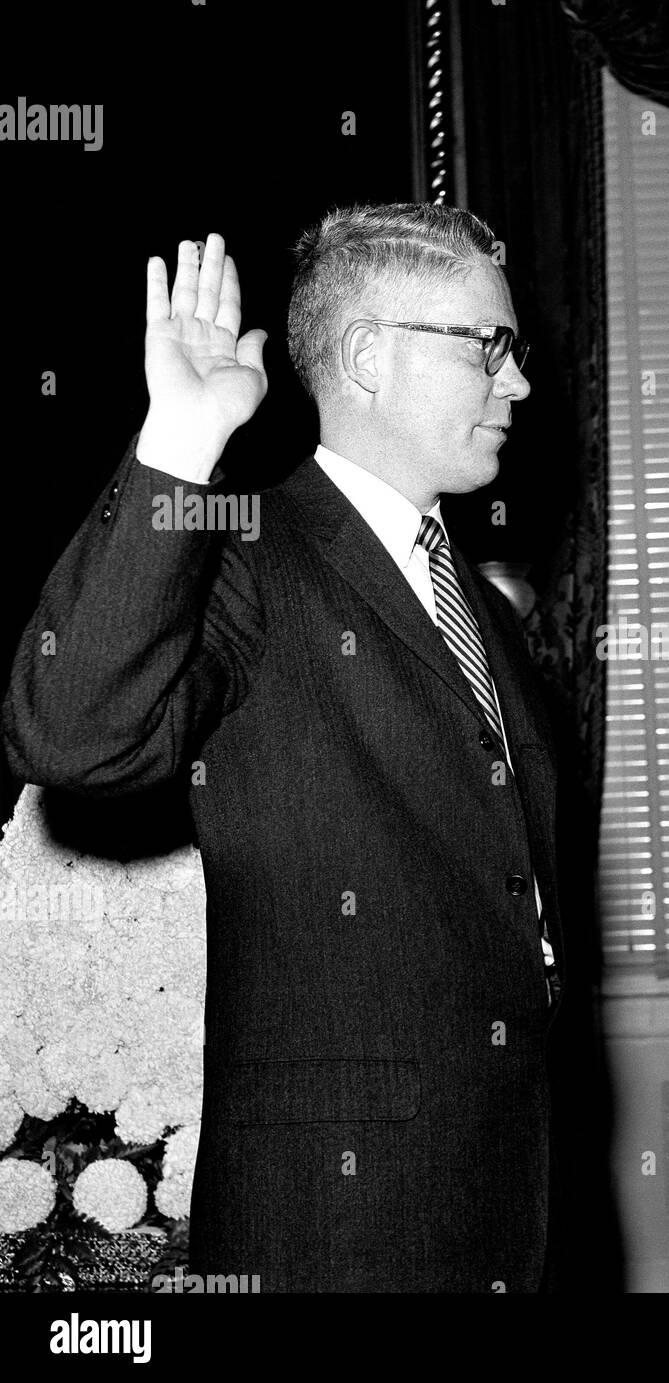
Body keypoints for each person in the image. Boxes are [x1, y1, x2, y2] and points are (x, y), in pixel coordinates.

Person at [3, 204, 569, 1292]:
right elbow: (70, 735)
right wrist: (181, 442)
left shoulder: (485, 616)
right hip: (338, 1227)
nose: (519, 384)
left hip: (505, 1203)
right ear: (368, 356)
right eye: (489, 348)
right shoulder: (247, 553)